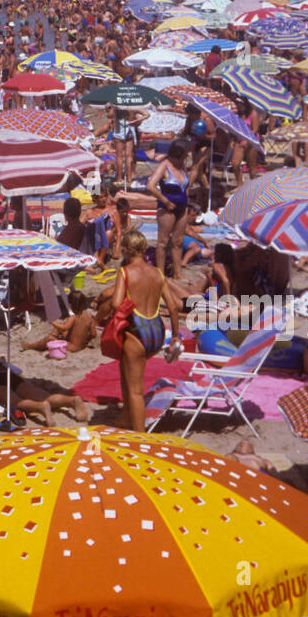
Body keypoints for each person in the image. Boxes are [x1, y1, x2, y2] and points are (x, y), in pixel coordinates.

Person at [108, 230, 182, 433]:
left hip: (137, 334)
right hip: (156, 333)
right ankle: (125, 417)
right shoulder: (157, 273)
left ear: (126, 249)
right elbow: (174, 307)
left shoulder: (125, 272)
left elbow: (115, 304)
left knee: (136, 390)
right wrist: (175, 335)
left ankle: (140, 437)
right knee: (126, 368)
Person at [147, 141, 192, 276]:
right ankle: (160, 274)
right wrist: (165, 201)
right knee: (163, 242)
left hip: (182, 207)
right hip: (167, 208)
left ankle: (177, 274)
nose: (187, 155)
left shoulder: (182, 166)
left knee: (178, 242)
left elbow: (186, 186)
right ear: (179, 153)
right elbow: (150, 186)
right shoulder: (164, 166)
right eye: (186, 153)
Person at [23, 290, 97, 353]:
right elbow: (94, 334)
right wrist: (86, 340)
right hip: (81, 345)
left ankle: (30, 346)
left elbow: (64, 328)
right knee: (57, 328)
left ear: (71, 304)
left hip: (73, 347)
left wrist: (52, 322)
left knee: (50, 338)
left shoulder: (73, 318)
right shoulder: (89, 317)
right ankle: (51, 342)